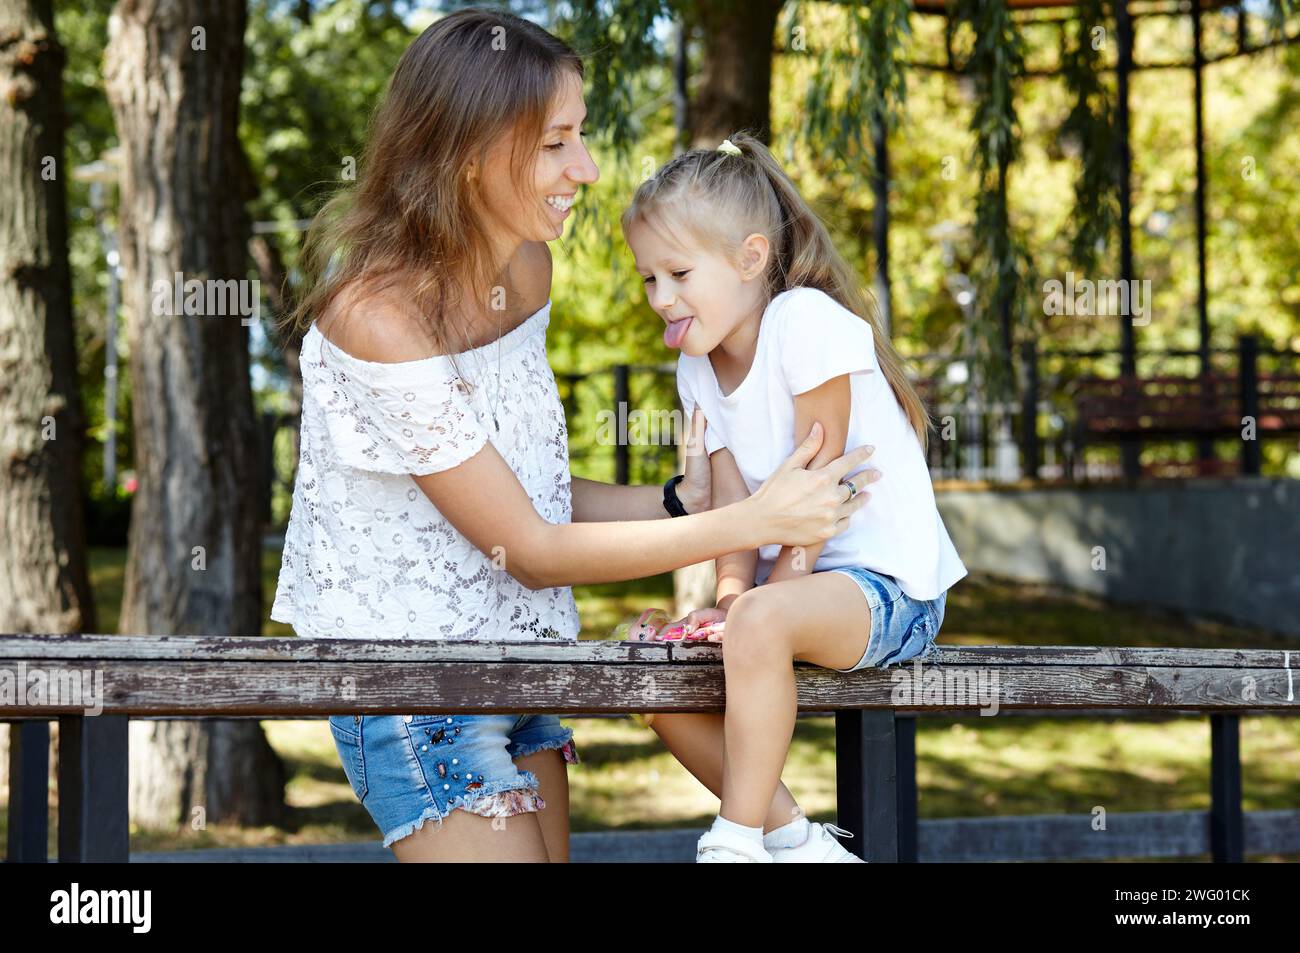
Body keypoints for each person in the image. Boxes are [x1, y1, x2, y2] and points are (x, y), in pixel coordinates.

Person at [270, 9, 877, 863]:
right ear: (470, 148)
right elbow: (527, 547)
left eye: (579, 137)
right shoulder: (376, 316)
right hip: (417, 691)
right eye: (557, 143)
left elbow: (527, 497)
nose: (584, 170)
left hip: (522, 669)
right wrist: (755, 521)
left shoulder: (525, 269)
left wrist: (675, 501)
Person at [620, 131, 968, 863]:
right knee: (647, 660)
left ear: (751, 258)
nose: (661, 298)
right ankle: (801, 845)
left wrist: (761, 605)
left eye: (678, 273)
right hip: (796, 597)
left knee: (759, 619)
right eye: (648, 279)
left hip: (887, 592)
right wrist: (728, 595)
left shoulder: (802, 323)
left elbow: (822, 487)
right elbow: (733, 505)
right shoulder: (699, 372)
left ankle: (738, 843)